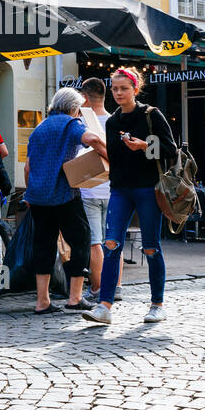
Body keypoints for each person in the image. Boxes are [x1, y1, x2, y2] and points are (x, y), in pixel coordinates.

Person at [83, 66, 178, 325]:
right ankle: (104, 306)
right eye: (115, 88)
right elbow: (112, 157)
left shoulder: (151, 115)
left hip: (148, 189)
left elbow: (171, 150)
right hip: (120, 189)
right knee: (111, 244)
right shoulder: (113, 122)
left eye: (124, 88)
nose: (119, 93)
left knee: (150, 247)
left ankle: (157, 304)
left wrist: (144, 146)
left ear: (135, 89)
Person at [22, 87, 106, 314]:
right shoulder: (71, 124)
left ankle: (42, 302)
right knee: (80, 240)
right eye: (78, 109)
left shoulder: (39, 128)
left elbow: (28, 167)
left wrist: (29, 194)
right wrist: (111, 158)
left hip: (38, 197)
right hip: (64, 195)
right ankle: (74, 298)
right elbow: (93, 139)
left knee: (43, 245)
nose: (79, 113)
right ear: (73, 107)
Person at [78, 77, 122, 304]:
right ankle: (117, 287)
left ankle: (96, 288)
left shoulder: (82, 122)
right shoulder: (116, 121)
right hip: (115, 189)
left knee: (95, 241)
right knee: (114, 239)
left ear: (85, 97)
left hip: (90, 190)